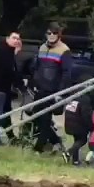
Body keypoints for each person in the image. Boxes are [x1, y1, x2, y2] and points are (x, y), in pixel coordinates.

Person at [29, 23, 70, 157]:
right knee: (36, 117)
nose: (51, 35)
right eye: (49, 33)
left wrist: (60, 92)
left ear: (59, 35)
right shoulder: (42, 47)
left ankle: (38, 148)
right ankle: (56, 141)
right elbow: (37, 67)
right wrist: (33, 83)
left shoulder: (64, 50)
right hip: (40, 89)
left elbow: (66, 73)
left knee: (45, 119)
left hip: (53, 91)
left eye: (54, 33)